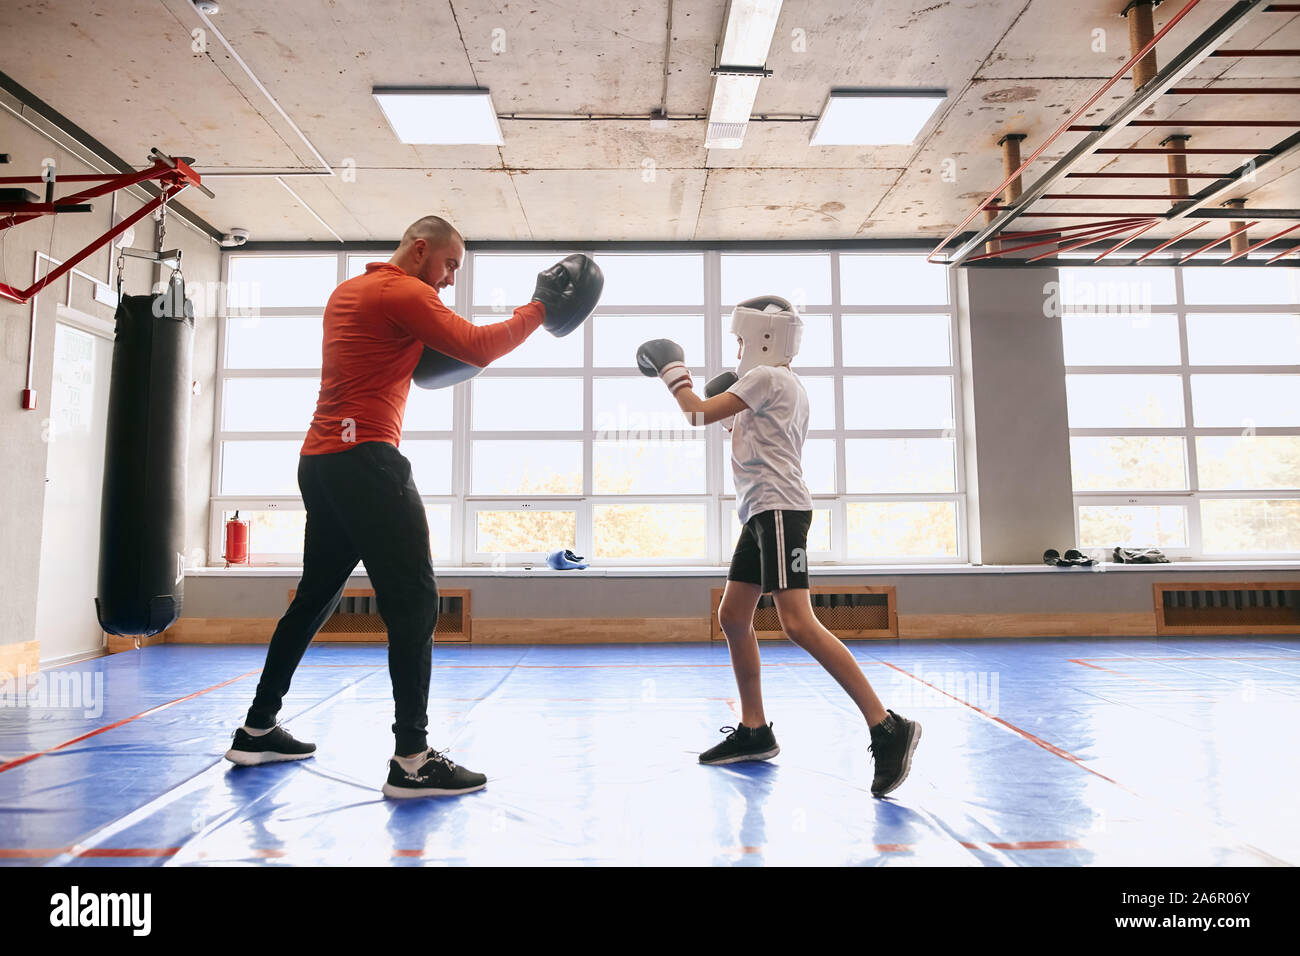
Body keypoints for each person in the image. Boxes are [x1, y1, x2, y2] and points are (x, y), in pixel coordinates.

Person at [225, 216, 594, 799]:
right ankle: (413, 759)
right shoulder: (404, 290)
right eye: (449, 265)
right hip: (369, 464)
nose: (449, 281)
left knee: (315, 597)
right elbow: (476, 346)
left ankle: (256, 727)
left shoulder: (350, 291)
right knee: (417, 602)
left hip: (321, 462)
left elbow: (424, 364)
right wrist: (539, 309)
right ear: (421, 250)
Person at [636, 296, 922, 797]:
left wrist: (672, 370)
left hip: (780, 511)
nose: (740, 348)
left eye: (742, 339)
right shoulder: (780, 384)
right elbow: (734, 428)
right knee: (732, 617)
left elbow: (696, 415)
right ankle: (754, 729)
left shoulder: (769, 378)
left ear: (765, 337)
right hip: (759, 512)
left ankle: (887, 726)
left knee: (796, 622)